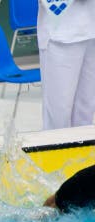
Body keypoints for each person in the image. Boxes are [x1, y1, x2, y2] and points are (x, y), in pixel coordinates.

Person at [37, 2, 95, 130]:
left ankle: (83, 150)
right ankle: (54, 149)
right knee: (58, 117)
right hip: (60, 35)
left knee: (86, 114)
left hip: (91, 30)